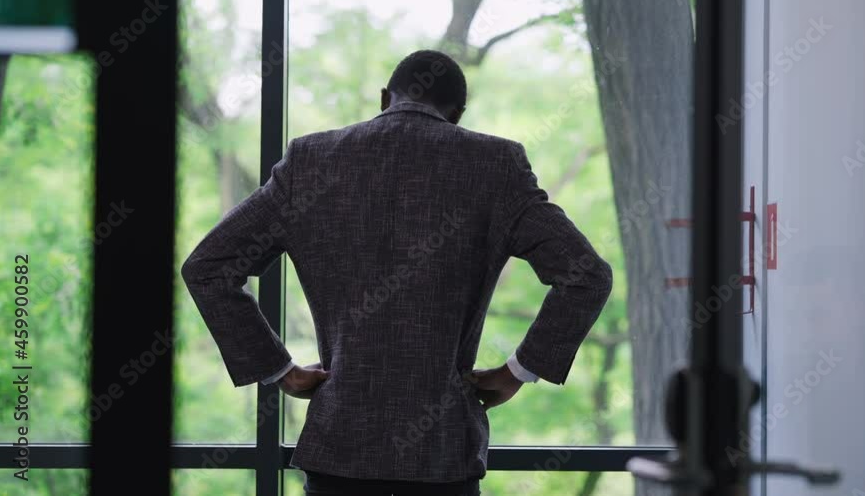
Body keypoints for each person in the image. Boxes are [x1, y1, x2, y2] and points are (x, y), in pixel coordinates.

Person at [181, 49, 613, 495]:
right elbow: (587, 276)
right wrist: (517, 371)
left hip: (339, 453)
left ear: (384, 97)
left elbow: (208, 268)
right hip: (442, 456)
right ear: (458, 113)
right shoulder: (495, 166)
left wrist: (280, 370)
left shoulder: (309, 161)